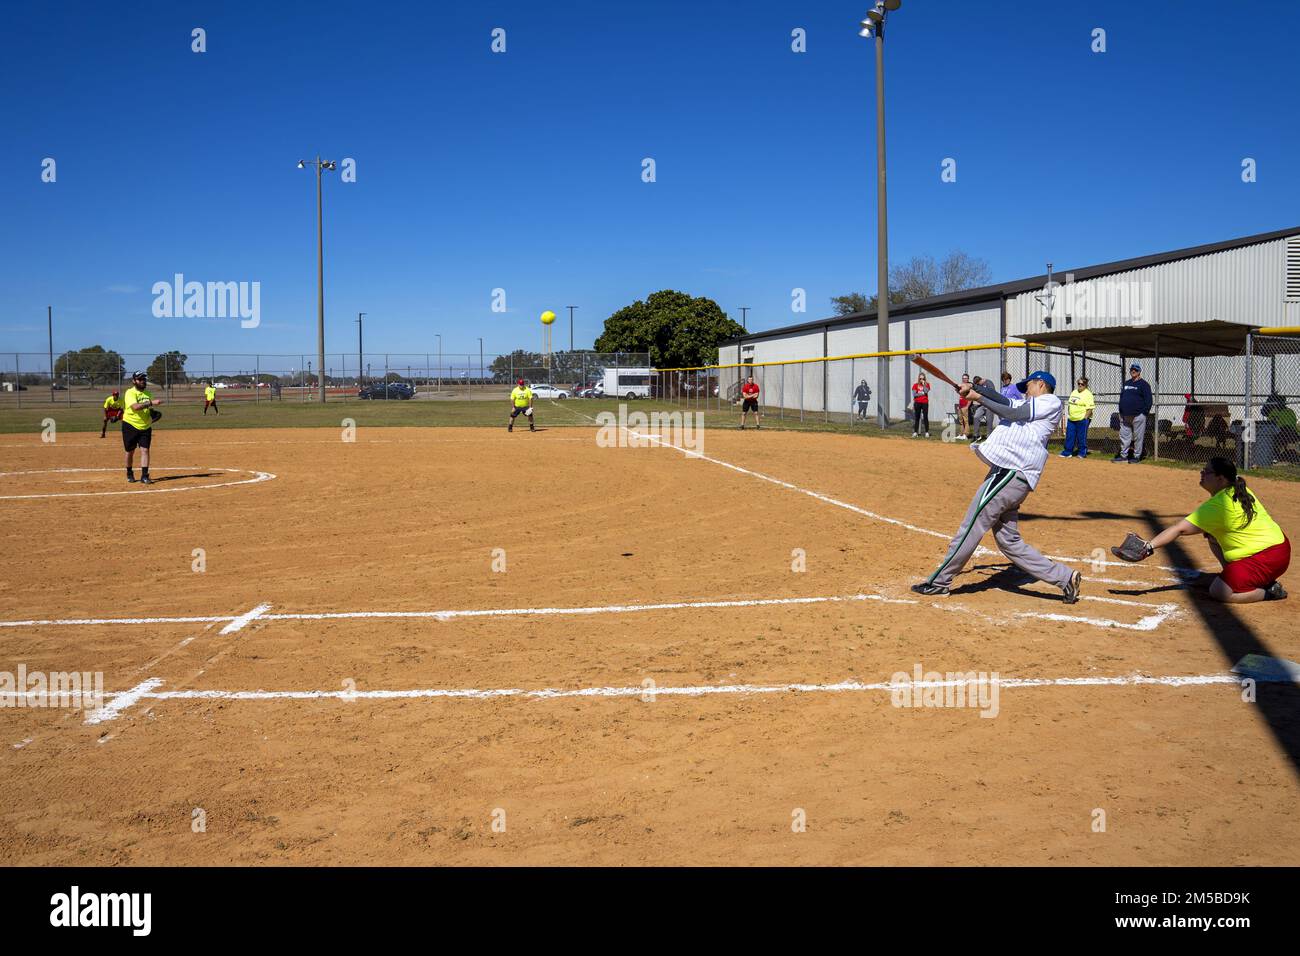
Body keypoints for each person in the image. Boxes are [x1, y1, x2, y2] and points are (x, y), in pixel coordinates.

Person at [911, 370, 1082, 603]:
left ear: (1041, 384)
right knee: (1008, 542)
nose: (1025, 391)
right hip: (1013, 476)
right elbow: (1003, 401)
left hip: (1010, 473)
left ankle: (940, 582)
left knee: (972, 525)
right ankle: (1064, 578)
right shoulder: (1030, 403)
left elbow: (1012, 410)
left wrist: (977, 398)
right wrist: (975, 388)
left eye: (1029, 386)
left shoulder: (1048, 402)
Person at [1133, 457, 1288, 603]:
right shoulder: (1239, 490)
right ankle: (1235, 575)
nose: (1202, 473)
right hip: (1279, 548)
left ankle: (1270, 592)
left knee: (1219, 591)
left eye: (1207, 472)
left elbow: (1179, 529)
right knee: (1211, 534)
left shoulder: (1218, 505)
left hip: (1267, 557)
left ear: (1220, 479)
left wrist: (1149, 547)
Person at [121, 371, 163, 484]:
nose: (143, 381)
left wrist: (153, 414)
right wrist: (151, 403)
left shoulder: (148, 394)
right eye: (140, 379)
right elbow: (135, 407)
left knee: (145, 450)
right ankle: (129, 473)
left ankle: (145, 475)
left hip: (145, 426)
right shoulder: (130, 393)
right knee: (130, 451)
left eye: (144, 379)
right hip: (130, 425)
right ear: (134, 381)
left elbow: (148, 409)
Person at [1113, 362, 1152, 463]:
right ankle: (1123, 456)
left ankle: (1137, 456)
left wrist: (1144, 413)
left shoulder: (1144, 384)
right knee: (1124, 436)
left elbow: (1149, 401)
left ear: (1139, 372)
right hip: (1125, 415)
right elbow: (1122, 397)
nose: (1133, 371)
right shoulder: (1126, 383)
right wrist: (1120, 411)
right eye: (1132, 369)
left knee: (1138, 437)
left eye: (1135, 370)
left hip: (1138, 416)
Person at [1060, 375, 1095, 458]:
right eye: (1079, 383)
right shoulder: (1074, 392)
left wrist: (1085, 418)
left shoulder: (1088, 394)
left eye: (1082, 384)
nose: (1080, 385)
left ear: (1086, 385)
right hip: (1072, 418)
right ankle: (1067, 452)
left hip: (1082, 419)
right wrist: (1070, 414)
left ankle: (1082, 453)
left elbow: (1090, 408)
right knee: (1070, 436)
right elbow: (1070, 404)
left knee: (1081, 437)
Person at [968, 377, 991, 442]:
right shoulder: (977, 387)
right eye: (976, 384)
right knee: (976, 417)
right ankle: (976, 435)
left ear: (980, 381)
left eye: (978, 383)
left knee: (989, 420)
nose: (977, 385)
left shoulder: (987, 384)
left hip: (990, 406)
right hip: (982, 405)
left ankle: (989, 436)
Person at [911, 373, 931, 438]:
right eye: (920, 378)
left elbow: (926, 391)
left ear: (924, 379)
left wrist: (924, 384)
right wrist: (922, 393)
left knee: (925, 417)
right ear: (918, 378)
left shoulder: (927, 384)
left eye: (923, 378)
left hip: (925, 402)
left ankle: (927, 432)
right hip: (917, 402)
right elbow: (914, 394)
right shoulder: (915, 385)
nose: (921, 380)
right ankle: (915, 432)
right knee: (917, 417)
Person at [956, 373, 972, 440]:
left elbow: (971, 397)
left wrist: (967, 406)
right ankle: (961, 434)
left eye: (966, 378)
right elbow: (960, 395)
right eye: (963, 378)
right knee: (961, 421)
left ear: (968, 379)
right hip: (960, 405)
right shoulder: (961, 386)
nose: (964, 379)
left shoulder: (969, 386)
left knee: (966, 421)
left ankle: (966, 434)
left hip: (965, 405)